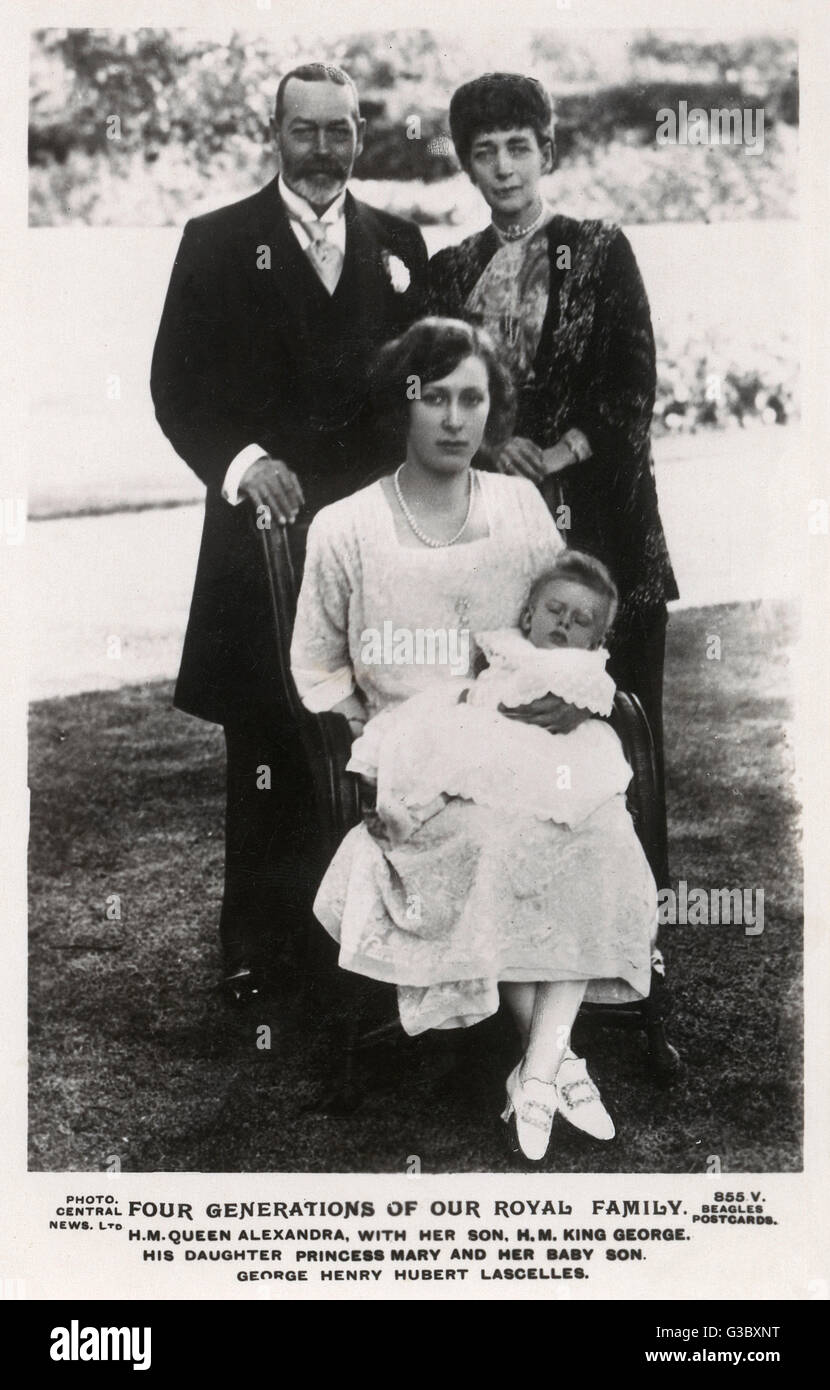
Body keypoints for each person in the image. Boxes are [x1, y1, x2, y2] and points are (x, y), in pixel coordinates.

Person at [290, 318, 657, 1162]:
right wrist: (376, 747)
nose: (456, 420)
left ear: (493, 409)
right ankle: (555, 1062)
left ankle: (536, 1067)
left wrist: (572, 698)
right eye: (437, 399)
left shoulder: (521, 505)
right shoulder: (345, 527)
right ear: (403, 403)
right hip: (421, 760)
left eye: (474, 399)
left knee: (595, 827)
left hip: (518, 739)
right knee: (494, 835)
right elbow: (316, 667)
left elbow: (567, 628)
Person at [150, 62, 427, 1002]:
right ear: (275, 132)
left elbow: (420, 387)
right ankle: (257, 952)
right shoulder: (218, 241)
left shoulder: (400, 243)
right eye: (303, 130)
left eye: (338, 130)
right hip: (258, 540)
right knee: (269, 738)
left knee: (369, 729)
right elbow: (176, 390)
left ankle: (365, 945)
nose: (321, 149)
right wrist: (243, 463)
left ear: (361, 134)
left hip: (371, 545)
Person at [426, 72, 678, 880]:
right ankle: (529, 933)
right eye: (485, 152)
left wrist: (556, 453)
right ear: (466, 165)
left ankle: (638, 936)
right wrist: (495, 451)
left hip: (604, 527)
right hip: (498, 536)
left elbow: (632, 388)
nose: (504, 168)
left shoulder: (602, 249)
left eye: (519, 148)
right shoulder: (449, 269)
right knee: (516, 728)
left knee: (617, 722)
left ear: (548, 151)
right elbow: (435, 396)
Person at [348, 551, 635, 839]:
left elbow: (596, 691)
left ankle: (414, 810)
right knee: (439, 741)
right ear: (528, 617)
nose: (564, 623)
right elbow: (494, 682)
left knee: (471, 762)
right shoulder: (511, 647)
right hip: (492, 726)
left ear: (594, 643)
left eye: (581, 620)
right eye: (555, 610)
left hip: (545, 745)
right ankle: (406, 805)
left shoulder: (582, 665)